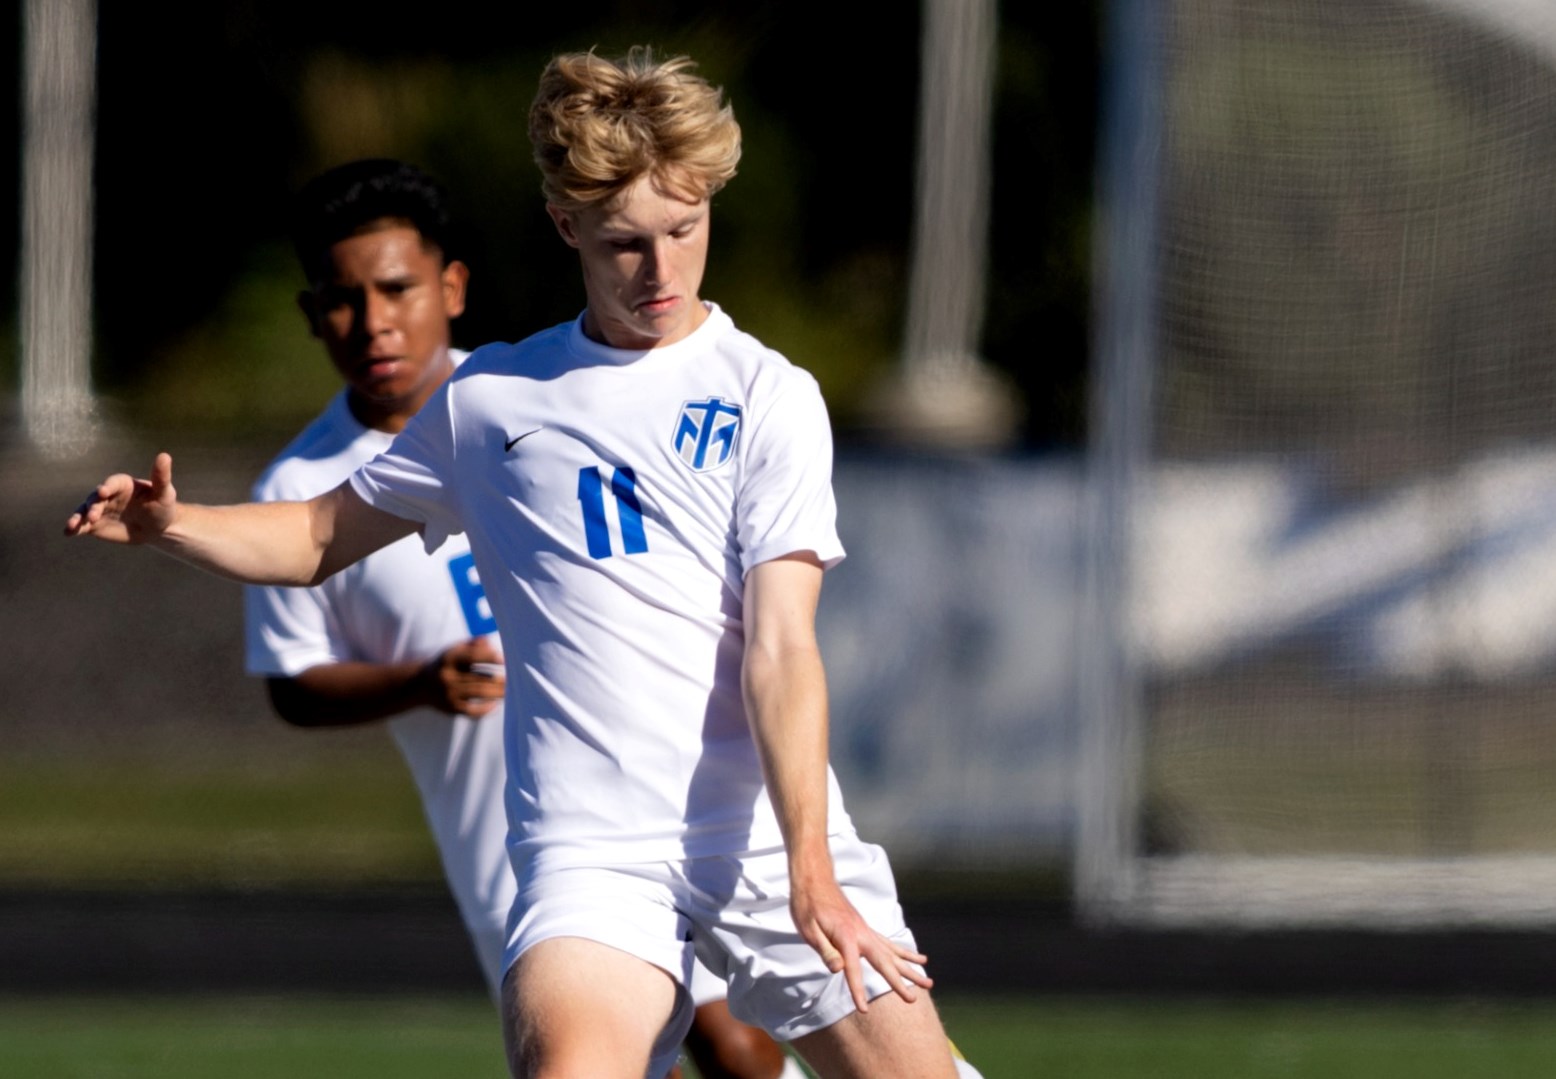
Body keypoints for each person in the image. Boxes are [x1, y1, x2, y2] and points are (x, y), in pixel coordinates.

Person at [67, 49, 980, 1079]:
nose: (662, 270)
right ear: (567, 226)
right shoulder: (490, 400)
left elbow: (779, 650)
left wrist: (812, 870)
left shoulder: (767, 394)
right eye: (628, 242)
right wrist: (175, 524)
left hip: (770, 840)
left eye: (684, 229)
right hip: (593, 860)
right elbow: (316, 537)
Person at [245, 156, 798, 1079]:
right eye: (344, 300)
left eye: (398, 289)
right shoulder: (300, 488)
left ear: (452, 286)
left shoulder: (531, 397)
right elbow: (292, 683)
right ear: (314, 317)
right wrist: (419, 681)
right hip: (516, 839)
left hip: (665, 788)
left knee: (738, 1041)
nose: (375, 322)